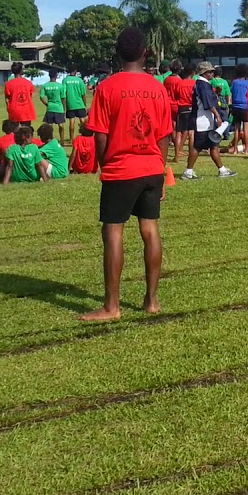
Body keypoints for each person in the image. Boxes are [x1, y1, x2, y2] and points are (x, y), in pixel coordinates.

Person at [82, 27, 174, 322]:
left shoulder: (106, 87)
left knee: (113, 232)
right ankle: (152, 301)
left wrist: (105, 165)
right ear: (145, 52)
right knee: (150, 230)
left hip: (121, 169)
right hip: (152, 168)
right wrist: (161, 169)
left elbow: (100, 135)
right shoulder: (158, 88)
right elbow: (164, 135)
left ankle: (112, 307)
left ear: (117, 52)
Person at [185, 62, 236, 179]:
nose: (212, 73)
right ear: (204, 73)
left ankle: (222, 170)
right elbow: (208, 103)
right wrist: (218, 116)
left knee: (213, 145)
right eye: (210, 72)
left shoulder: (203, 84)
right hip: (202, 121)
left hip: (207, 120)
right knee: (198, 146)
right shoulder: (203, 85)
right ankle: (188, 172)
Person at [168, 63, 196, 164]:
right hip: (191, 108)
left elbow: (176, 95)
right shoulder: (195, 83)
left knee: (179, 132)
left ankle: (176, 156)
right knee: (191, 133)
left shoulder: (180, 83)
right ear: (193, 73)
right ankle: (191, 155)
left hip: (182, 108)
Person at [4, 62, 37, 127]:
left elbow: (7, 99)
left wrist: (8, 108)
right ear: (21, 70)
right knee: (26, 129)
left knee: (15, 129)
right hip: (26, 109)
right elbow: (30, 96)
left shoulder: (8, 84)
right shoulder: (28, 83)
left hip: (14, 110)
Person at [229, 64, 248, 153]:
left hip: (236, 107)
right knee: (245, 129)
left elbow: (232, 93)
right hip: (245, 107)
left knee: (237, 128)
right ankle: (246, 149)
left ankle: (235, 149)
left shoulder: (234, 82)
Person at [39, 74, 68, 143]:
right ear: (56, 76)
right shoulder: (60, 86)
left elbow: (41, 97)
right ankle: (62, 140)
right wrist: (64, 108)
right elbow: (63, 98)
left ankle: (49, 140)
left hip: (50, 108)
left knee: (49, 126)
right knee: (61, 125)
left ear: (49, 76)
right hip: (59, 108)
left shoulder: (45, 85)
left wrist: (46, 104)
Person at [62, 69, 90, 134]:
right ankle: (85, 135)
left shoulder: (65, 80)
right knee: (82, 121)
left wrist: (64, 107)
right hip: (80, 104)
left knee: (71, 122)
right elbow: (83, 94)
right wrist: (84, 105)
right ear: (75, 71)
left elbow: (63, 94)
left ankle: (71, 138)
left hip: (70, 104)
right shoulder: (80, 80)